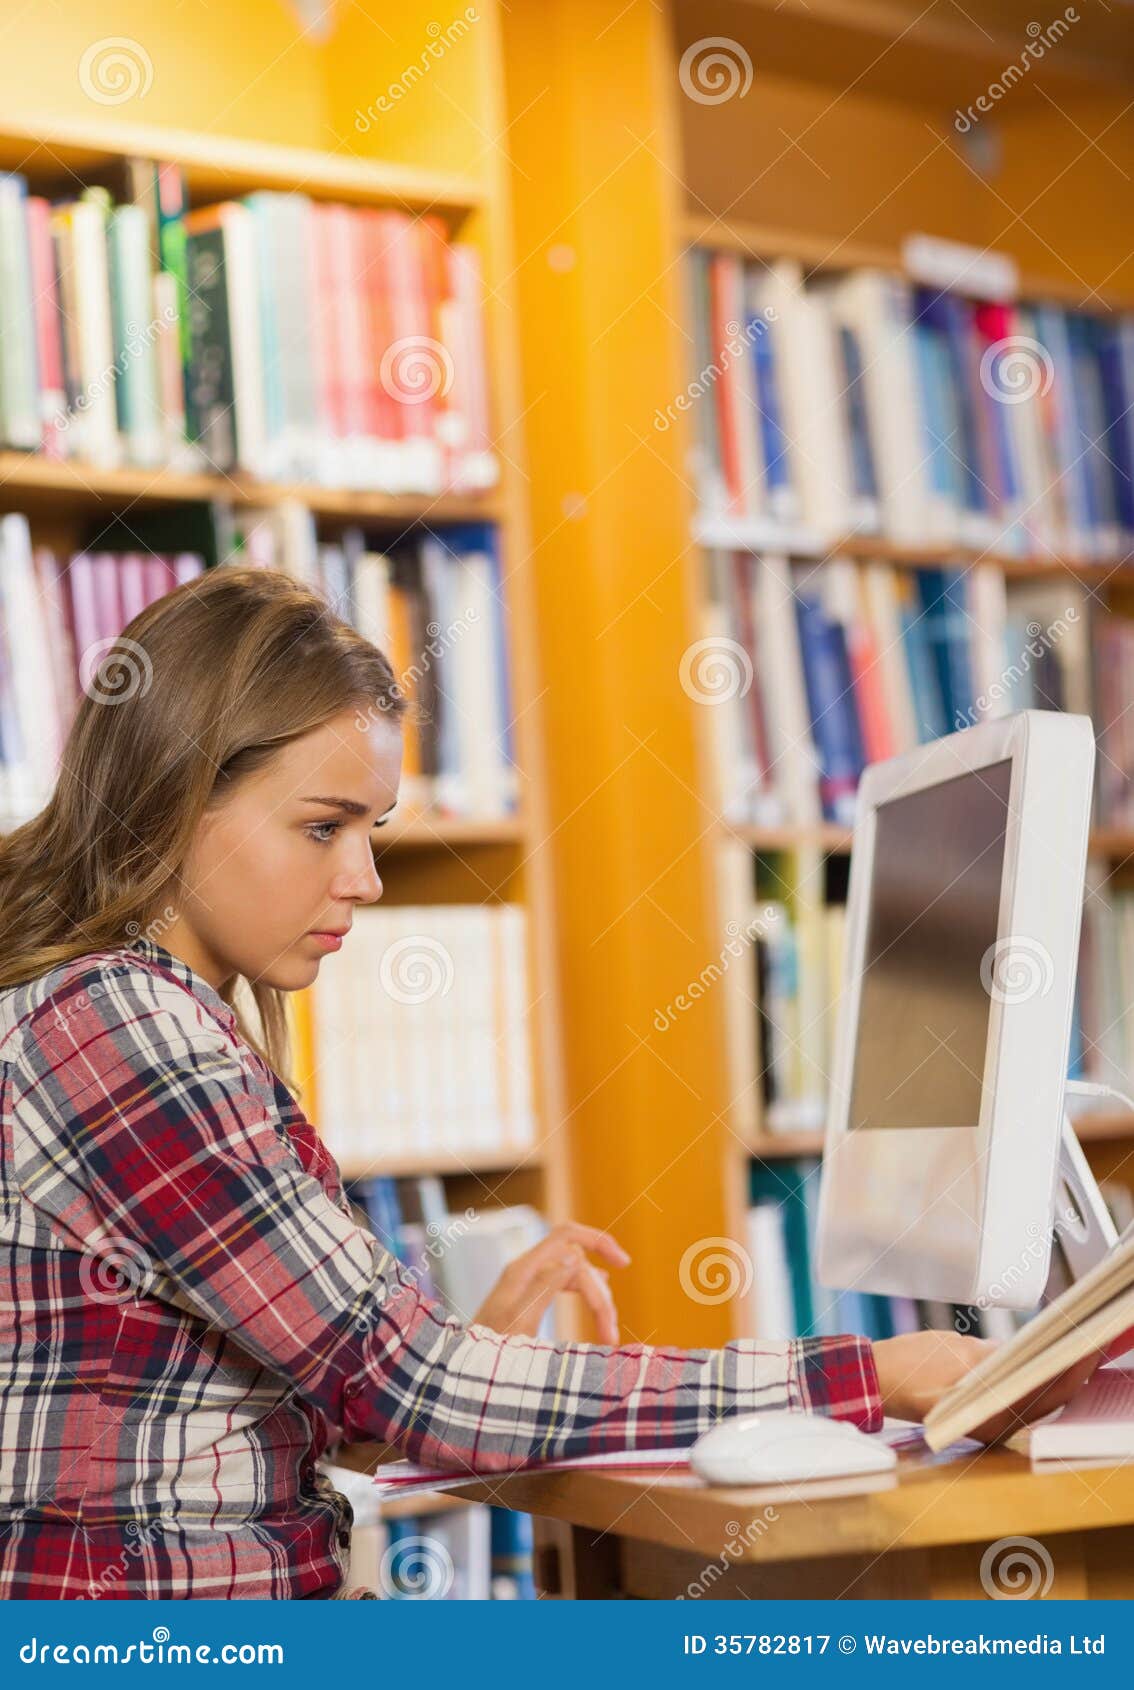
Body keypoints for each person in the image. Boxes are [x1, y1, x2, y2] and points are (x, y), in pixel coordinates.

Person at [0, 567, 1095, 1600]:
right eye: (322, 826)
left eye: (371, 830)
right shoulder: (123, 1026)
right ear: (177, 796)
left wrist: (440, 1362)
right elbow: (406, 1381)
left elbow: (198, 1427)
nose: (365, 878)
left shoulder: (117, 1006)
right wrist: (864, 1374)